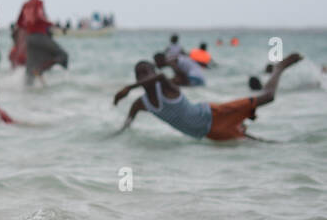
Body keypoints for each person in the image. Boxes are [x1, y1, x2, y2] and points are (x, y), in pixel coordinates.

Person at [113, 54, 302, 140]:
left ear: (153, 73)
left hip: (214, 114)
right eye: (139, 74)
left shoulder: (166, 86)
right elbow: (126, 126)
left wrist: (129, 87)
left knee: (268, 97)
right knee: (259, 144)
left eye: (147, 72)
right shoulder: (141, 104)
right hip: (209, 134)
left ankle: (278, 68)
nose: (144, 77)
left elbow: (161, 76)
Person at [15, 0, 68, 85]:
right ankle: (40, 69)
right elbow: (40, 17)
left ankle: (27, 95)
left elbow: (20, 23)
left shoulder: (26, 4)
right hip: (39, 36)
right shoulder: (38, 2)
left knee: (29, 71)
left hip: (29, 39)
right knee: (63, 55)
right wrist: (56, 26)